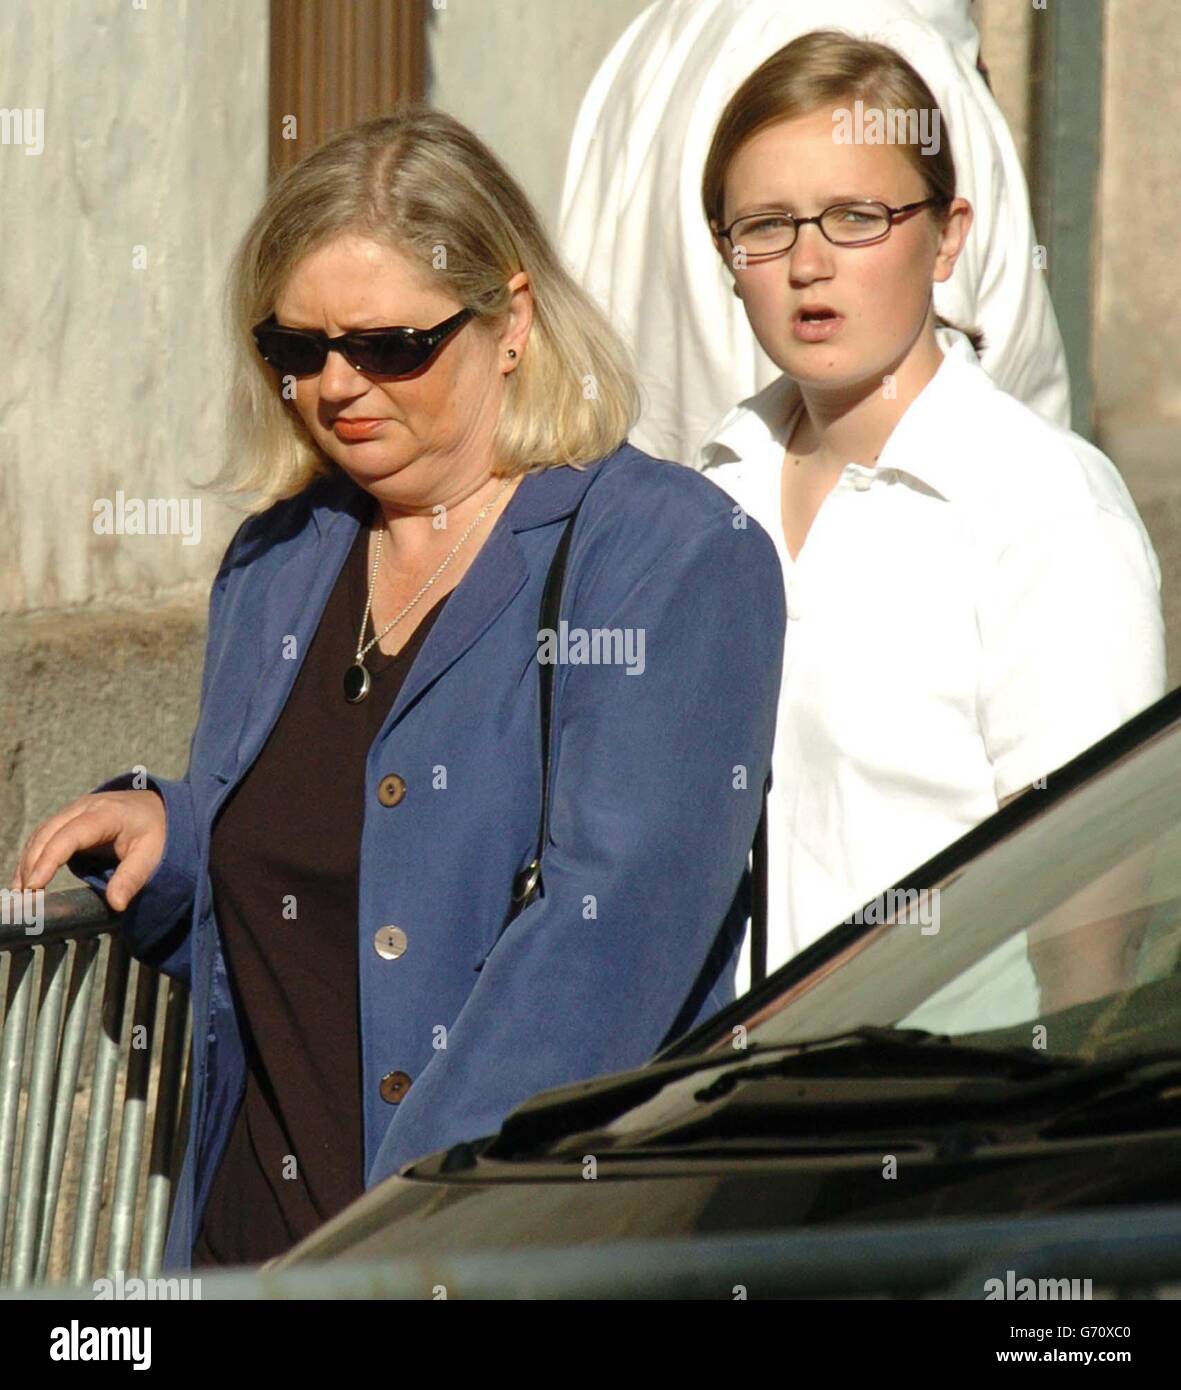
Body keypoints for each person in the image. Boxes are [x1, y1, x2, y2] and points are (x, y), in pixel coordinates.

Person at [9, 107, 784, 1271]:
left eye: (389, 346)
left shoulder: (664, 553)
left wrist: (396, 1251)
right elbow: (306, 907)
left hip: (476, 1261)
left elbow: (601, 951)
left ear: (509, 319)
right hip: (248, 1255)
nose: (337, 385)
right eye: (297, 348)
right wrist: (177, 841)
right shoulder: (281, 561)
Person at [695, 31, 1165, 999]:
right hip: (725, 1126)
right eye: (767, 226)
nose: (807, 263)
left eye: (855, 216)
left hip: (938, 1115)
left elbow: (1087, 937)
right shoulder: (711, 488)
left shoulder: (1039, 511)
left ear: (946, 234)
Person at [558, 0, 1070, 463]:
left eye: (854, 217)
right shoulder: (882, 46)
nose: (808, 265)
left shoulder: (653, 38)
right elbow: (910, 384)